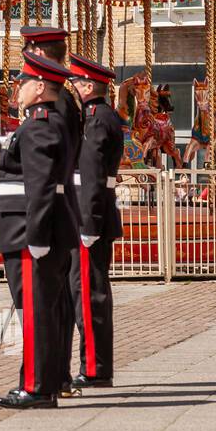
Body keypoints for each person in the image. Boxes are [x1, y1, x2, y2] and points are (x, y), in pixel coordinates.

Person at [0, 51, 78, 409]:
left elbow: (40, 185)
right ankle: (50, 379)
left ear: (40, 87)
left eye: (23, 83)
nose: (19, 89)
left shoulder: (39, 124)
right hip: (33, 226)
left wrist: (37, 236)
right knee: (47, 309)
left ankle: (36, 386)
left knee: (37, 309)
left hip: (28, 229)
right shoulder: (47, 121)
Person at [67, 53, 124, 389]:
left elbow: (91, 176)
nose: (72, 87)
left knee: (89, 295)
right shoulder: (100, 116)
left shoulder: (98, 120)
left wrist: (88, 225)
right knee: (89, 292)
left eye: (76, 82)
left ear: (88, 85)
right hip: (95, 215)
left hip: (92, 218)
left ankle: (95, 368)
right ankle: (95, 365)